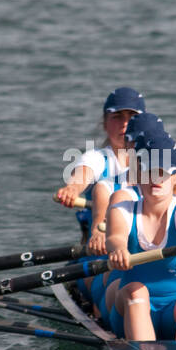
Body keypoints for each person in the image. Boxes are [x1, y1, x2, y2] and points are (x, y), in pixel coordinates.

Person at [102, 132, 176, 341]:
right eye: (150, 172)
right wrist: (118, 249)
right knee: (136, 290)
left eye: (164, 173)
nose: (156, 179)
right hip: (131, 311)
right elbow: (115, 236)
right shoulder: (123, 209)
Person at [54, 87, 144, 253]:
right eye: (117, 117)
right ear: (104, 123)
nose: (125, 124)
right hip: (100, 255)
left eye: (132, 117)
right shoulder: (95, 158)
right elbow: (82, 174)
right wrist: (72, 189)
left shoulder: (155, 163)